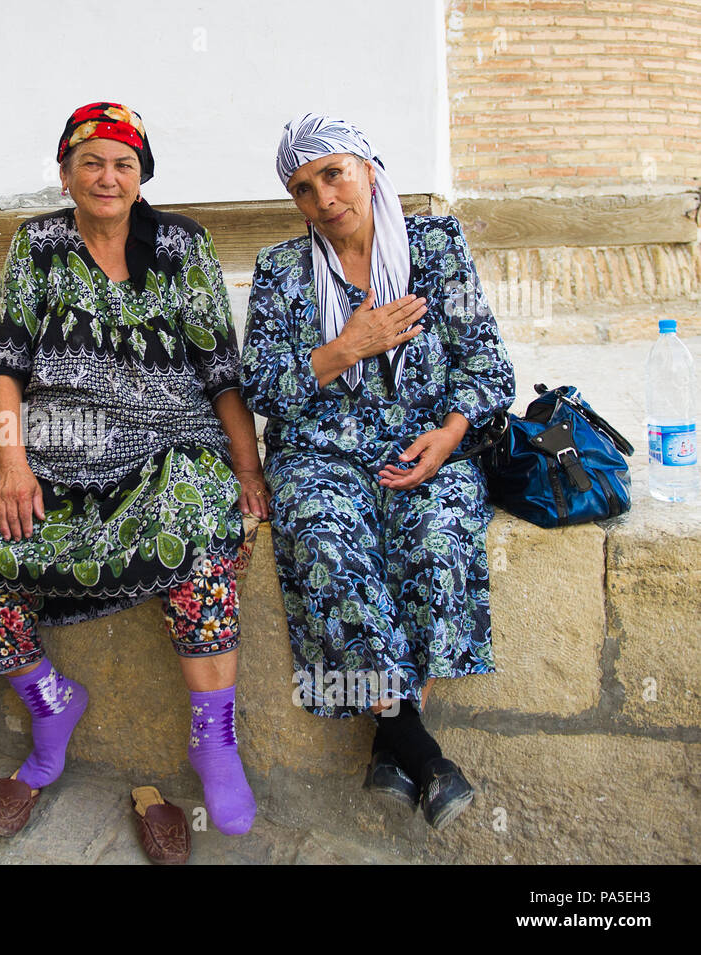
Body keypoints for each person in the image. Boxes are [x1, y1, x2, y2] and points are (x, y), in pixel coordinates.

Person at [0, 102, 270, 842]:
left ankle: (213, 738)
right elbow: (6, 365)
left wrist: (247, 468)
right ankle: (50, 699)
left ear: (142, 175)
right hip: (55, 446)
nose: (107, 176)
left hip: (169, 442)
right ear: (66, 174)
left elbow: (220, 368)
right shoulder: (39, 245)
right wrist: (12, 460)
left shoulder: (182, 244)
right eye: (91, 161)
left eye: (124, 163)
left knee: (196, 532)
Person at [240, 113, 516, 828]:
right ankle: (422, 751)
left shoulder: (435, 244)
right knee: (327, 546)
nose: (323, 198)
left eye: (333, 174)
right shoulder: (280, 269)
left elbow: (486, 360)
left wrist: (451, 435)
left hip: (425, 444)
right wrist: (343, 349)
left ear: (368, 168)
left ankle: (393, 744)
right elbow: (262, 387)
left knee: (437, 535)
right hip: (319, 452)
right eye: (303, 188)